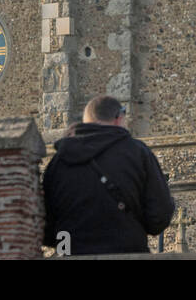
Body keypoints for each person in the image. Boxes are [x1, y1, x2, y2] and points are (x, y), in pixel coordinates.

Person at [42, 95, 175, 255]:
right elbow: (159, 216)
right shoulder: (137, 153)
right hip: (127, 254)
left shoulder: (59, 161)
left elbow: (45, 223)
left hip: (72, 252)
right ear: (119, 118)